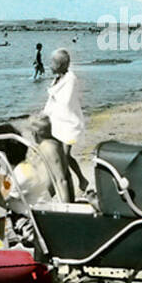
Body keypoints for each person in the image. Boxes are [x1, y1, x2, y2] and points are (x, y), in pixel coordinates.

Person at [43, 49, 90, 196]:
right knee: (63, 157)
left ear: (62, 65)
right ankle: (81, 180)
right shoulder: (56, 80)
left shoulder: (70, 79)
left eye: (53, 63)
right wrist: (44, 115)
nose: (50, 66)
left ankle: (52, 190)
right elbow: (51, 103)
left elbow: (65, 103)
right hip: (57, 124)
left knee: (63, 156)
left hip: (69, 123)